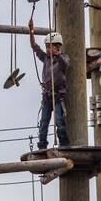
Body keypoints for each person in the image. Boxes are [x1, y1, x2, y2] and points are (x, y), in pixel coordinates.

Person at [27, 19, 69, 149]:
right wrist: (31, 31)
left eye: (49, 47)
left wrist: (58, 55)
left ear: (57, 46)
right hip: (47, 96)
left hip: (58, 95)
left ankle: (64, 144)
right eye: (47, 47)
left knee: (59, 121)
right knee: (44, 122)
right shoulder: (46, 58)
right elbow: (34, 47)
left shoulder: (63, 58)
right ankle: (42, 145)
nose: (47, 49)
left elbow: (65, 65)